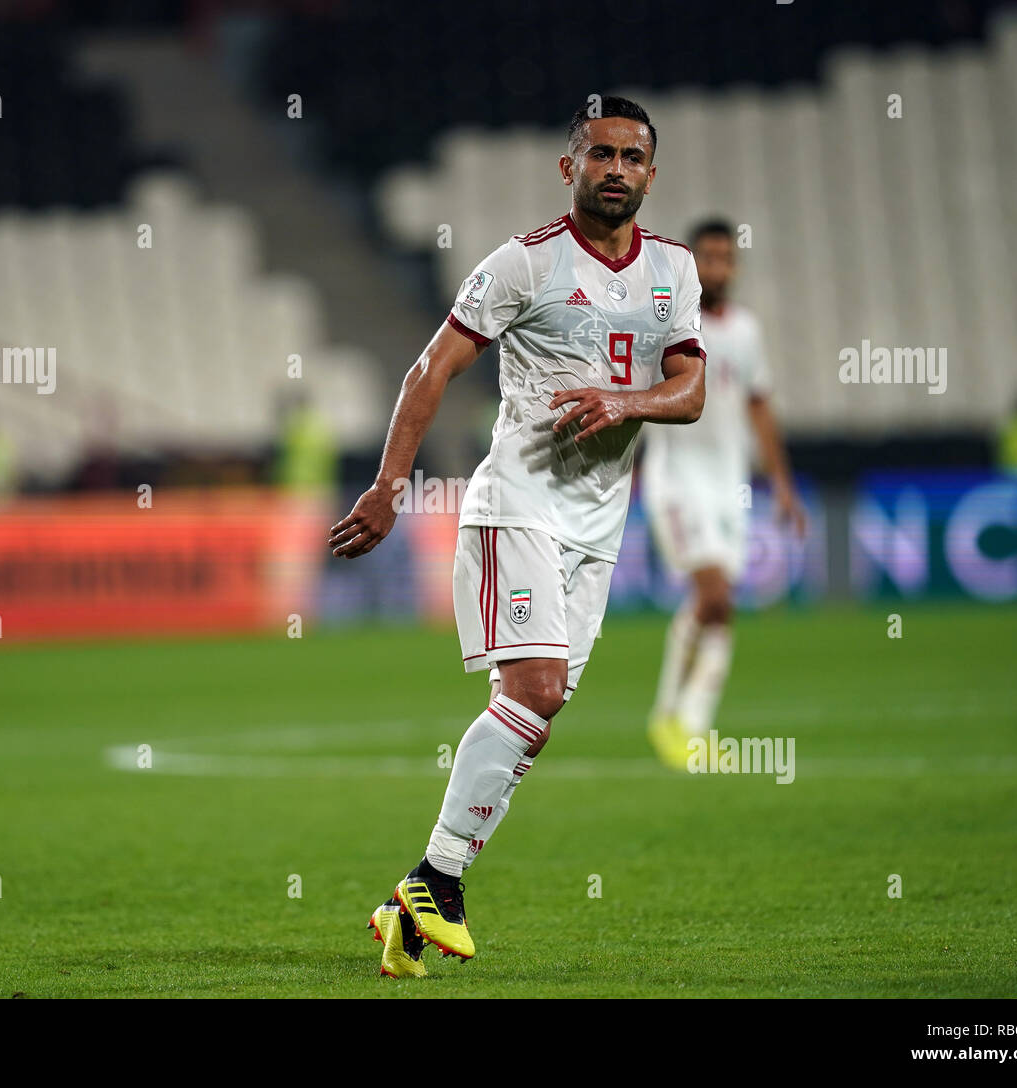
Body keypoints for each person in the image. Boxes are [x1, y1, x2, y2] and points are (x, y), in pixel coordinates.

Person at [329, 97, 706, 975]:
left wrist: (628, 401)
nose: (617, 170)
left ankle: (422, 889)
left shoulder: (676, 272)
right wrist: (389, 487)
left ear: (653, 173)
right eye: (601, 154)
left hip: (599, 528)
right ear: (570, 167)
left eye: (633, 157)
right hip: (518, 507)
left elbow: (690, 391)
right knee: (533, 683)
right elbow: (433, 369)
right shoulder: (522, 266)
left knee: (541, 706)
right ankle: (439, 888)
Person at [639, 219, 805, 768]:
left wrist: (782, 484)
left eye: (725, 258)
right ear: (691, 263)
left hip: (729, 485)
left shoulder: (746, 332)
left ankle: (684, 724)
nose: (717, 267)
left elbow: (759, 404)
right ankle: (675, 723)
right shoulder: (665, 322)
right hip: (676, 477)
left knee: (720, 609)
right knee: (713, 596)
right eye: (706, 257)